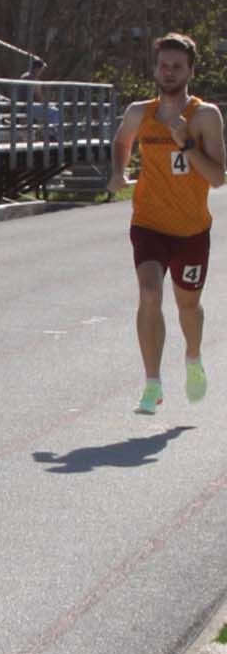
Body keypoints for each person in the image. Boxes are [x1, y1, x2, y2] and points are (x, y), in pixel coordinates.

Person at [106, 32, 225, 414]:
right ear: (155, 70)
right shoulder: (139, 112)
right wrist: (118, 172)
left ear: (190, 70)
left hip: (191, 229)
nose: (168, 72)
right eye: (162, 66)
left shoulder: (205, 116)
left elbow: (218, 177)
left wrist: (187, 145)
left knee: (188, 308)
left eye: (176, 66)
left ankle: (192, 359)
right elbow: (122, 141)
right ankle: (152, 384)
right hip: (149, 224)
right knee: (150, 293)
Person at [15, 58, 61, 137]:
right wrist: (48, 104)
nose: (41, 72)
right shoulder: (33, 79)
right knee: (55, 112)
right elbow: (39, 98)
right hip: (27, 107)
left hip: (20, 106)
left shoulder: (24, 76)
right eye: (41, 69)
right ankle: (50, 135)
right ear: (36, 69)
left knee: (50, 111)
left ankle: (48, 133)